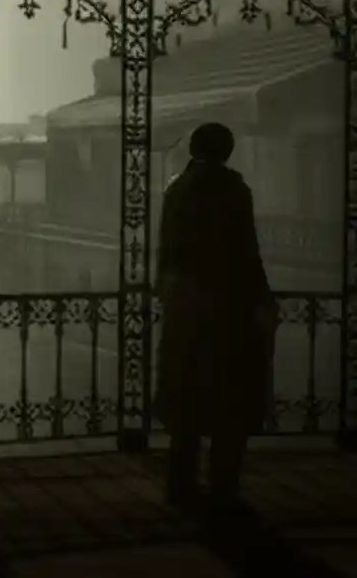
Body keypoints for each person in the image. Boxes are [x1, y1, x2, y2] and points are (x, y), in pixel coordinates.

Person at [155, 122, 277, 512]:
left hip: (186, 309)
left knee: (186, 399)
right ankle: (223, 489)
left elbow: (167, 254)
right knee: (231, 404)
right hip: (229, 310)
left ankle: (181, 486)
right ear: (227, 151)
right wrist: (262, 299)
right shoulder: (235, 191)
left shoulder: (175, 191)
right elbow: (247, 251)